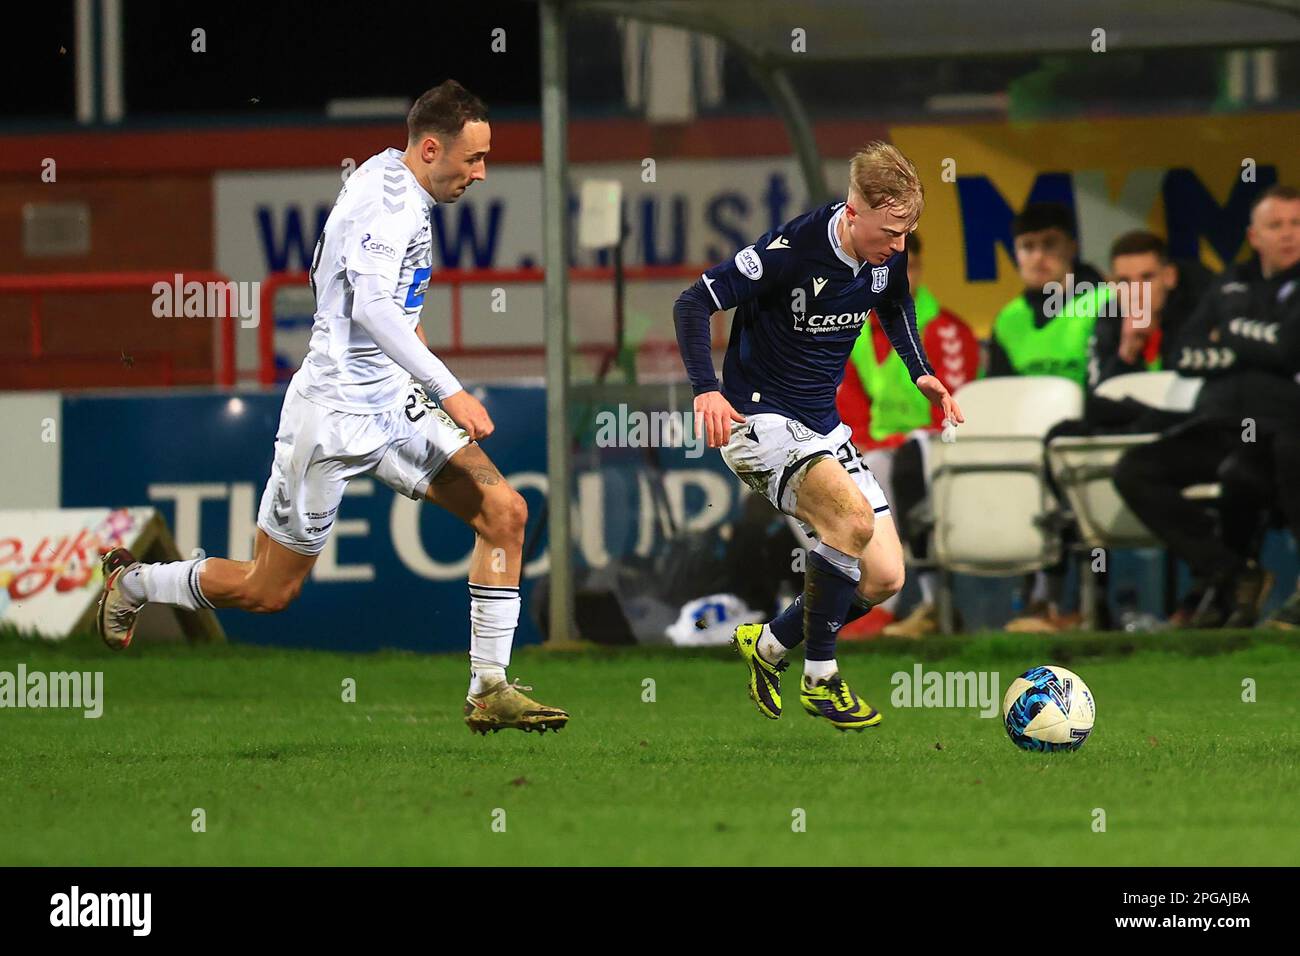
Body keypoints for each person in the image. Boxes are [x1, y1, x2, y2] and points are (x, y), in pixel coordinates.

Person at [95, 81, 569, 735]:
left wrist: (428, 390)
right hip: (332, 413)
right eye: (474, 158)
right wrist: (453, 389)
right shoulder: (390, 204)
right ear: (432, 148)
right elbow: (372, 310)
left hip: (393, 405)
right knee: (270, 590)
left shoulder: (393, 175)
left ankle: (488, 688)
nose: (481, 173)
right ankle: (138, 584)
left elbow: (394, 310)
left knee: (504, 511)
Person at [673, 141, 963, 731]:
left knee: (884, 577)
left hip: (821, 426)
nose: (899, 247)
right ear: (853, 212)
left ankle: (772, 647)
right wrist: (706, 388)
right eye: (890, 232)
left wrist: (920, 371)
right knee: (851, 524)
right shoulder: (789, 250)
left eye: (907, 234)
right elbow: (692, 303)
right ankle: (822, 679)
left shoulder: (888, 250)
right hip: (757, 419)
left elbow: (895, 303)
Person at [1115, 184, 1300, 629]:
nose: (1288, 234)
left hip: (1279, 426)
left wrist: (1231, 333)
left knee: (1252, 470)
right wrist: (1254, 343)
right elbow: (1183, 353)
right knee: (1134, 470)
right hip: (1216, 423)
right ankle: (1231, 573)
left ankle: (1225, 596)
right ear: (1254, 236)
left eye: (1296, 224)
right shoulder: (1231, 282)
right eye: (1276, 225)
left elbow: (1287, 349)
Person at [833, 232, 980, 638]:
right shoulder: (855, 332)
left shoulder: (944, 329)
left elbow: (959, 408)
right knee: (833, 476)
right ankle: (845, 600)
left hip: (941, 447)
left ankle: (897, 606)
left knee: (898, 465)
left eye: (907, 267)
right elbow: (851, 413)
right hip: (883, 452)